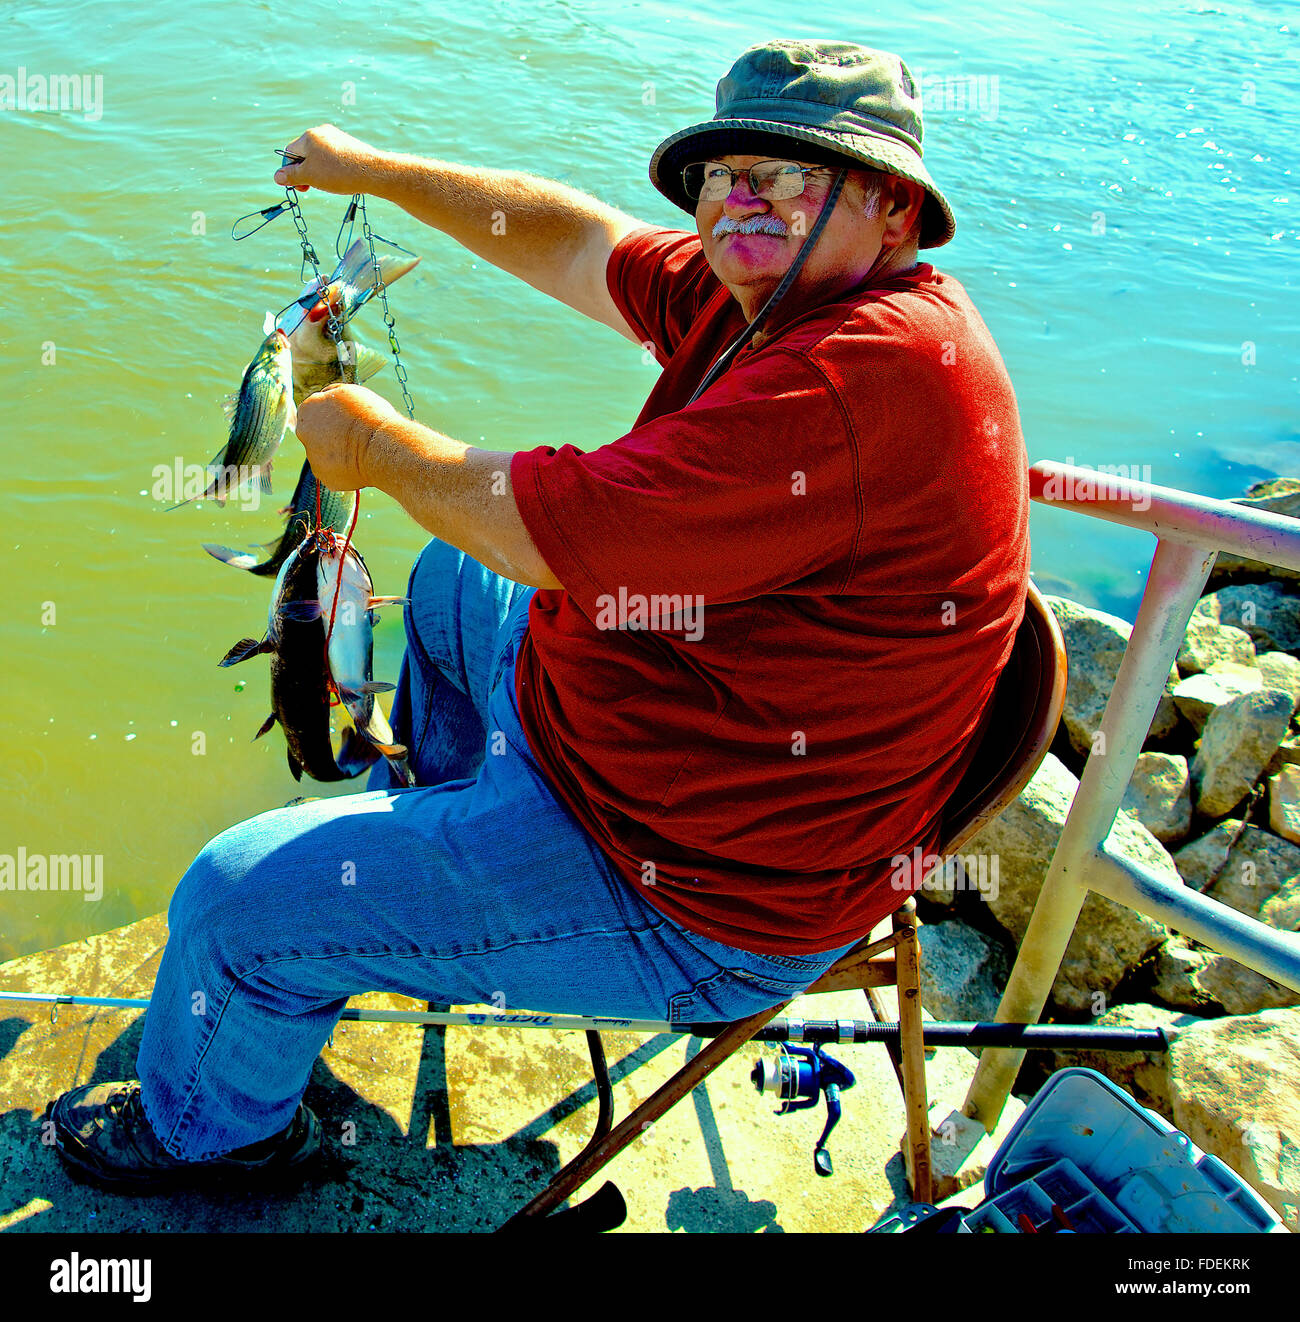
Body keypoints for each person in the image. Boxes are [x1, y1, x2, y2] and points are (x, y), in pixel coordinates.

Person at [46, 39, 1028, 1189]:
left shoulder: (856, 378)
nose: (743, 194)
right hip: (644, 736)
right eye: (723, 171)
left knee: (231, 901)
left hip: (694, 885)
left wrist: (363, 443)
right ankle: (426, 843)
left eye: (795, 173)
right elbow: (573, 240)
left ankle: (219, 1139)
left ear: (897, 211)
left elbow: (546, 524)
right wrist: (373, 169)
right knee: (456, 583)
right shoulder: (763, 292)